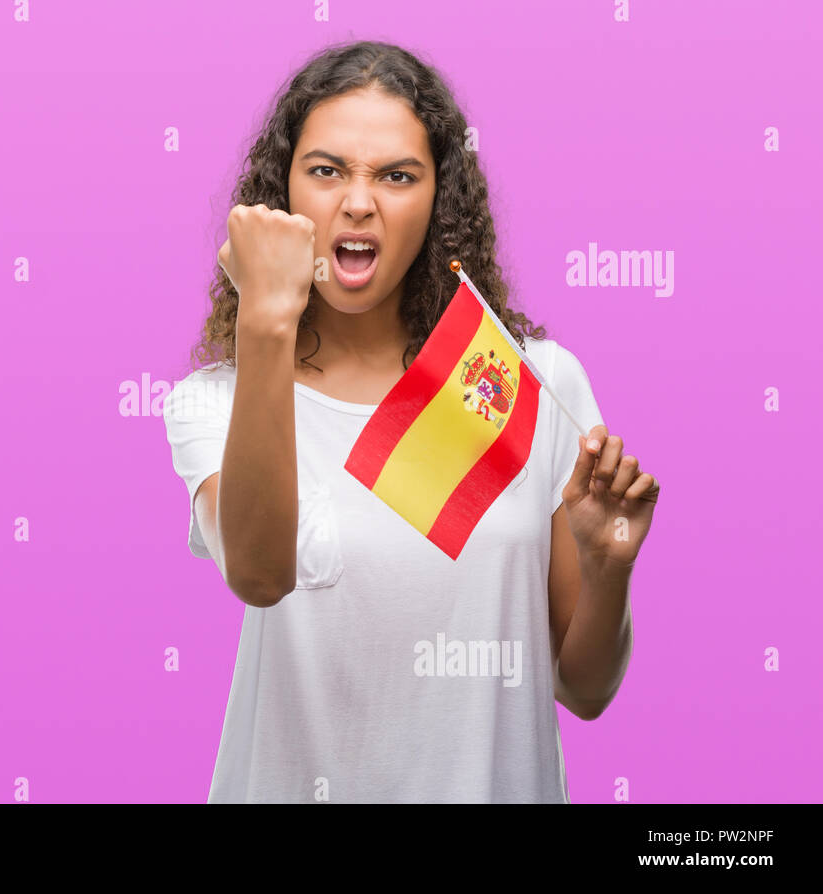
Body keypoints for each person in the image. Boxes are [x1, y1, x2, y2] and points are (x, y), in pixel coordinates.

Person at [163, 40, 659, 803]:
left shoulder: (528, 380)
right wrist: (267, 317)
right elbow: (260, 577)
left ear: (438, 201)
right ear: (283, 192)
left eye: (397, 176)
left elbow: (584, 690)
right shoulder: (216, 400)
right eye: (326, 171)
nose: (358, 202)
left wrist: (609, 567)